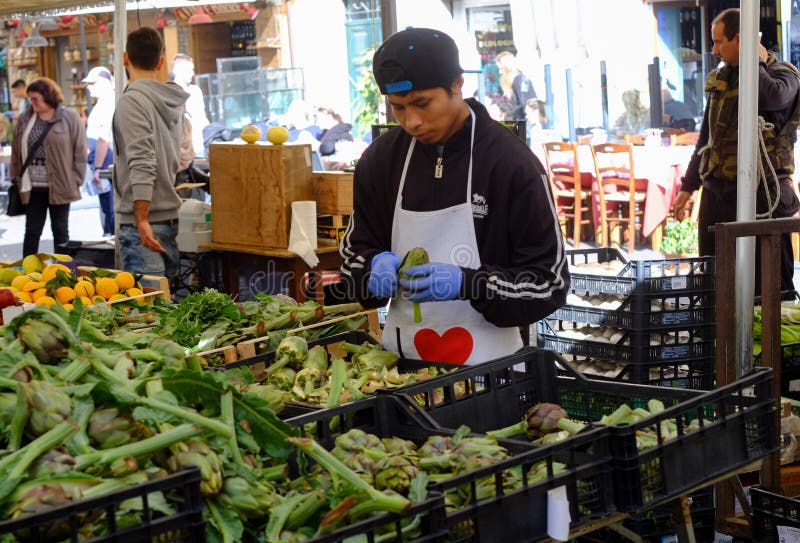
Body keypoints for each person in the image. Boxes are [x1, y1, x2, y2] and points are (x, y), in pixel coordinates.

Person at [340, 27, 569, 365]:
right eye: (398, 108)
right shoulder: (379, 162)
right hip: (397, 371)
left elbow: (549, 283)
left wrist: (471, 283)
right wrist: (370, 268)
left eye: (422, 103)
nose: (412, 121)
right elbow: (351, 259)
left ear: (457, 85)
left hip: (493, 372)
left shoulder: (511, 164)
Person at [672, 8, 800, 292]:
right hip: (718, 192)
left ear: (741, 39)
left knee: (767, 282)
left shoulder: (784, 75)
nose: (715, 50)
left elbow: (770, 97)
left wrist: (754, 61)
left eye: (719, 42)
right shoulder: (722, 79)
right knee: (713, 276)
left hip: (763, 194)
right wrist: (687, 188)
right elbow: (707, 139)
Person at [113, 27, 189, 280]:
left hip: (143, 225)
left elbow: (143, 160)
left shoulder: (132, 101)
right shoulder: (170, 99)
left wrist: (142, 220)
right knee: (167, 307)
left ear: (125, 59)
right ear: (160, 61)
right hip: (168, 218)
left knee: (148, 310)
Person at [10, 77, 87, 256]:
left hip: (60, 184)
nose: (32, 102)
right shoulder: (25, 118)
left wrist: (76, 179)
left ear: (48, 96)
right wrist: (16, 177)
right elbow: (16, 151)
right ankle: (27, 271)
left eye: (35, 98)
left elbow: (80, 150)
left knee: (61, 232)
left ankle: (63, 270)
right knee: (32, 231)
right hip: (33, 186)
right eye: (30, 99)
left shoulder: (68, 117)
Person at [83, 66, 115, 237]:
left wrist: (98, 168)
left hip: (105, 165)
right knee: (108, 208)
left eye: (92, 83)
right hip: (105, 163)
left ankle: (111, 243)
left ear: (103, 82)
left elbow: (104, 138)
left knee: (109, 209)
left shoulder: (107, 103)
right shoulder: (107, 102)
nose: (89, 87)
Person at [171, 53, 209, 157]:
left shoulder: (195, 91)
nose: (192, 73)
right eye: (187, 70)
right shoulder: (169, 92)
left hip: (199, 148)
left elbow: (202, 119)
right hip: (179, 152)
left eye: (192, 70)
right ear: (176, 70)